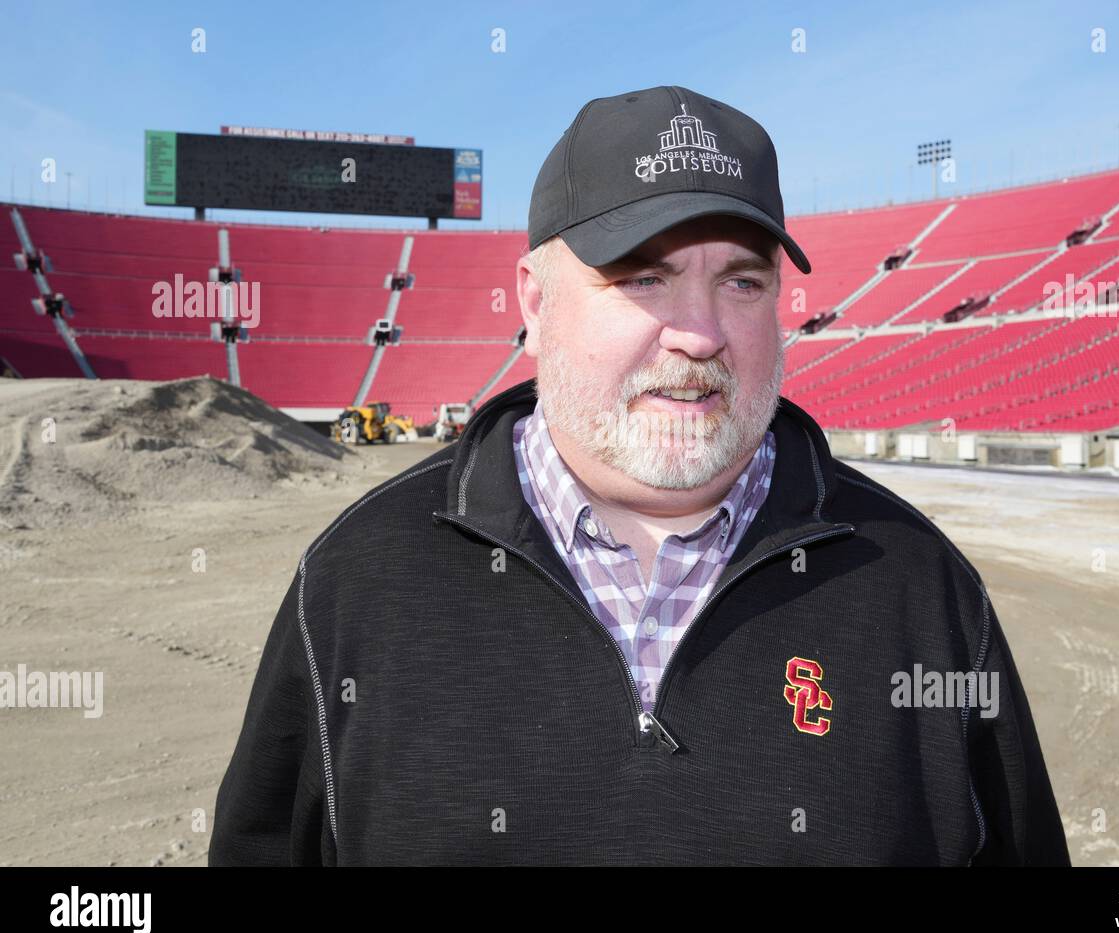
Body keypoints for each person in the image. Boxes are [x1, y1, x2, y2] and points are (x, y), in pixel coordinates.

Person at [210, 85, 1070, 865]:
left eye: (741, 281)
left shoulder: (920, 583)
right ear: (536, 304)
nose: (698, 333)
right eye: (642, 277)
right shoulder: (357, 579)